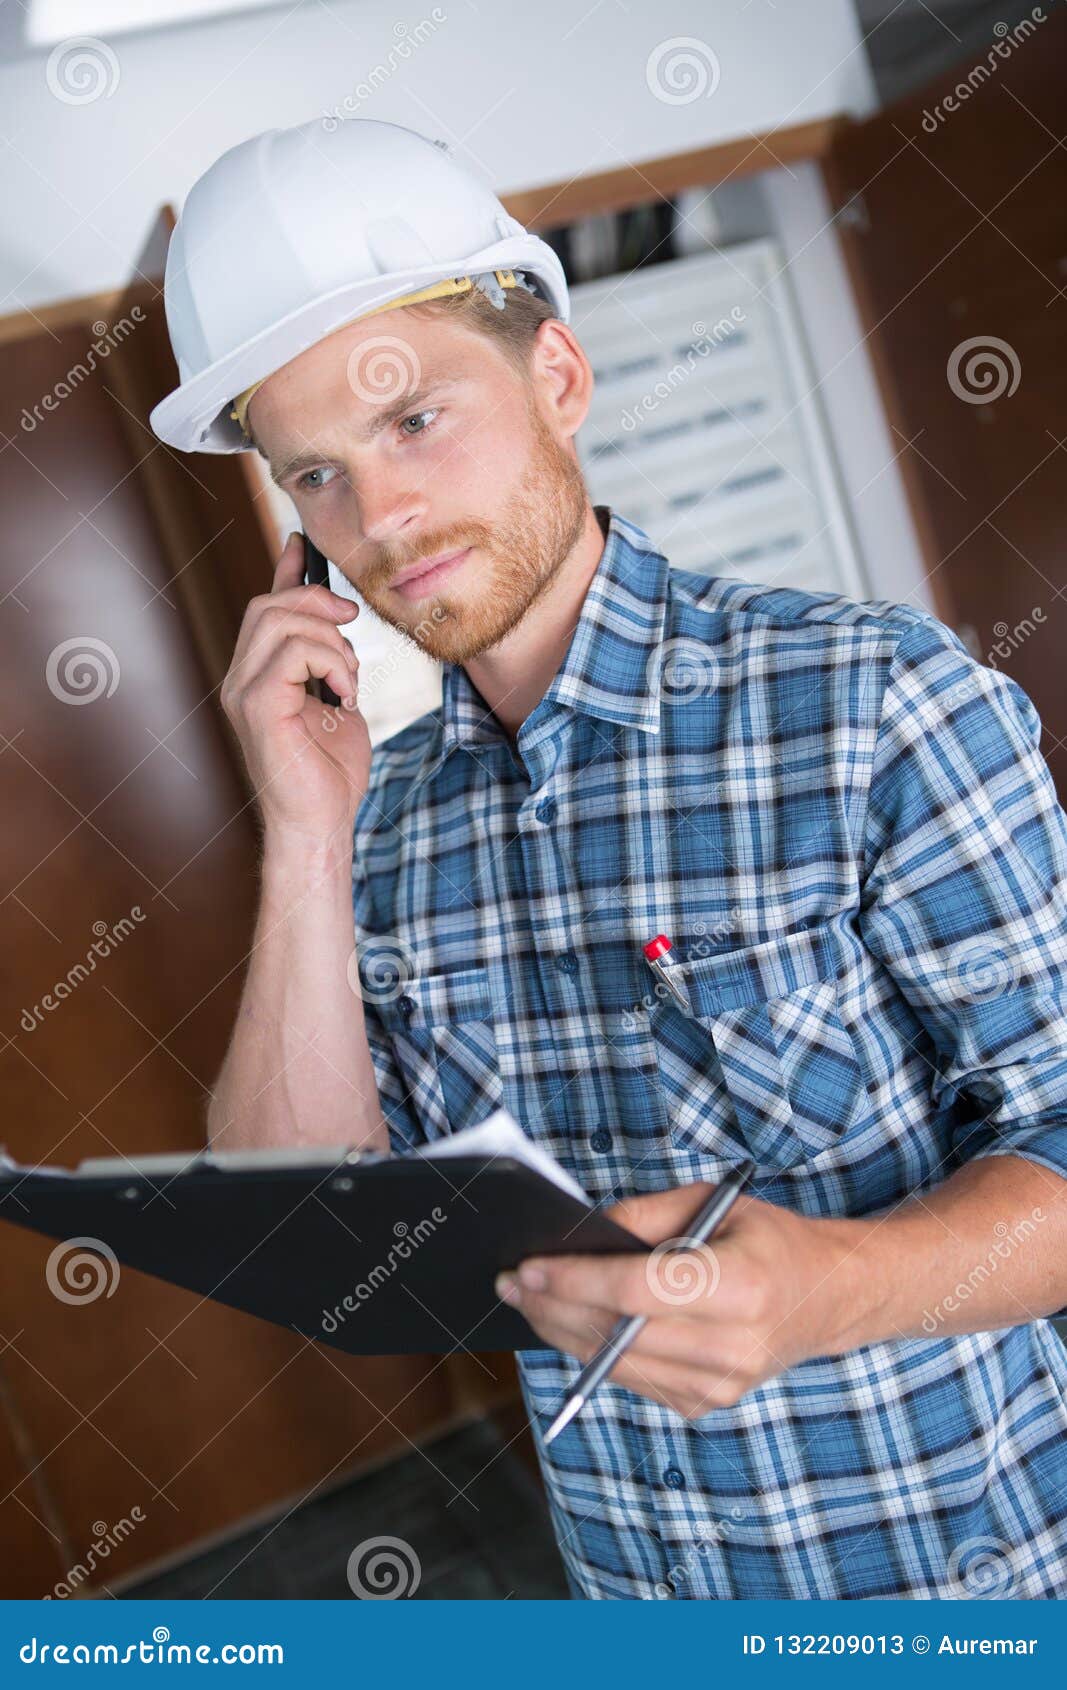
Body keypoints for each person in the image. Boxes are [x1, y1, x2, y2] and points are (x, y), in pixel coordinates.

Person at [151, 118, 1067, 1602]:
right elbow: (316, 1225)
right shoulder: (384, 826)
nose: (377, 517)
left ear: (557, 380)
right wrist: (308, 842)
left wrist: (825, 1289)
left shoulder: (873, 704)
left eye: (414, 420)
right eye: (312, 473)